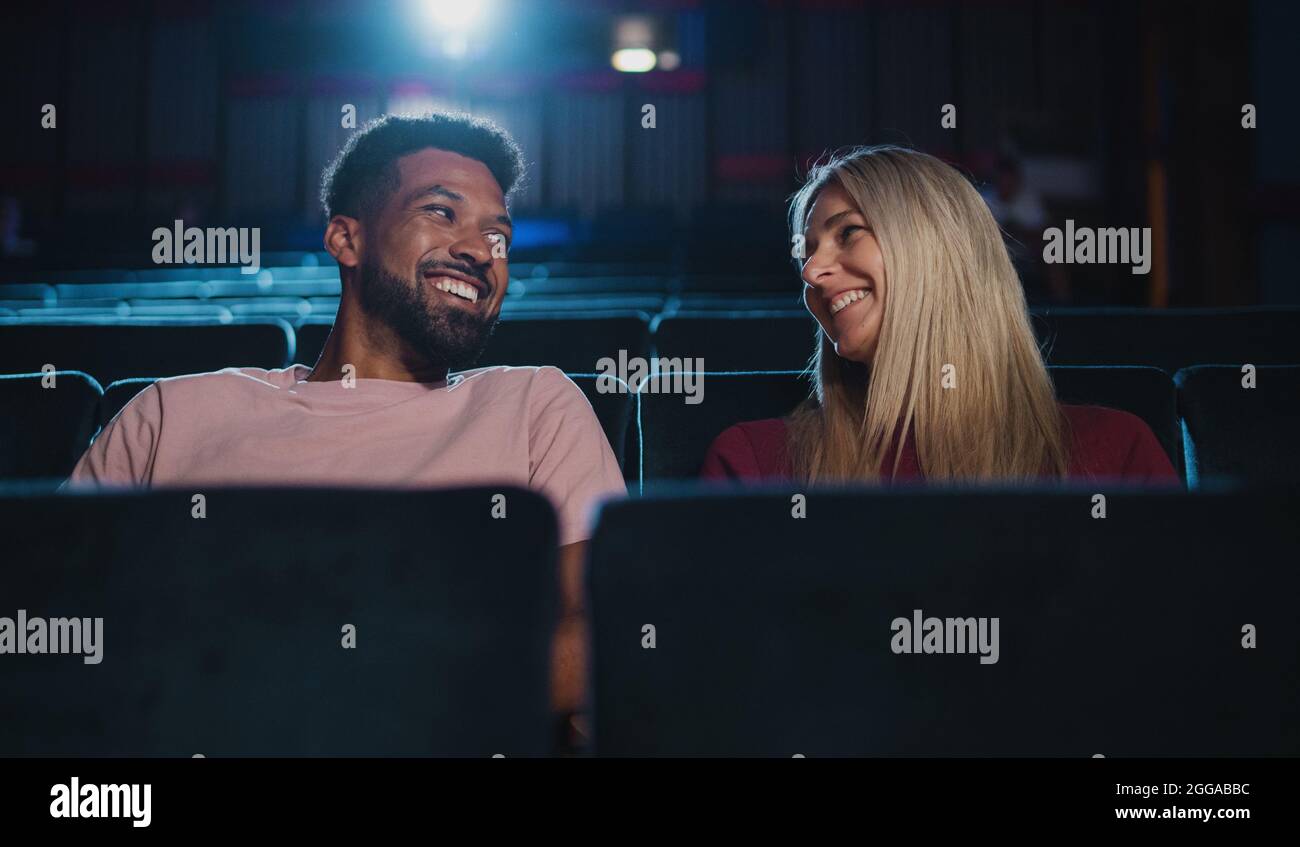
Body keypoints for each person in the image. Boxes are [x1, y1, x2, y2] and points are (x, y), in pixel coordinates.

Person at [63, 112, 627, 739]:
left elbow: (607, 629)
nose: (478, 250)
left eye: (499, 237)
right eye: (441, 213)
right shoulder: (169, 414)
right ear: (345, 239)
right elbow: (51, 626)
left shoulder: (535, 404)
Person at [700, 145, 1178, 485]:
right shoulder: (754, 463)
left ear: (938, 255)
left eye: (847, 234)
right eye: (806, 252)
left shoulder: (1117, 453)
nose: (811, 270)